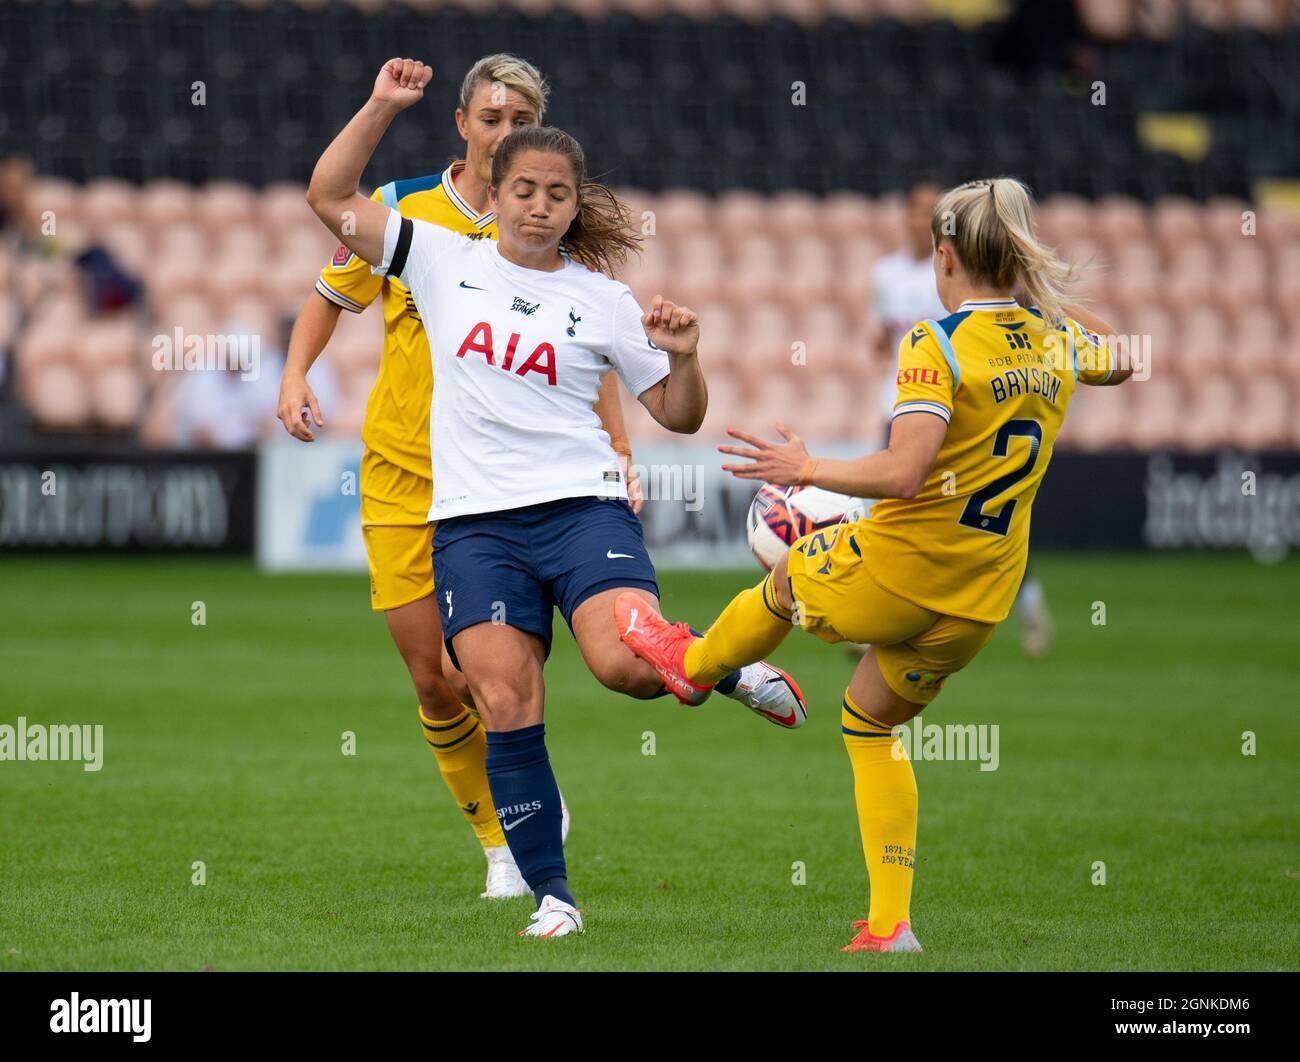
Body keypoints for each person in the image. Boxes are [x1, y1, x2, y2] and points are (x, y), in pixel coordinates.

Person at [306, 58, 808, 938]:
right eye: (526, 189)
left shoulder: (604, 300)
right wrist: (384, 105)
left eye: (559, 193)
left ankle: (713, 661)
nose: (541, 205)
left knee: (623, 671)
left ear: (577, 205)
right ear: (492, 193)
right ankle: (554, 898)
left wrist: (686, 356)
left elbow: (681, 417)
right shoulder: (436, 258)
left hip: (582, 511)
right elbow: (328, 193)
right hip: (473, 527)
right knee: (502, 698)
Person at [617, 176, 1131, 954]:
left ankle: (689, 666)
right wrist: (1037, 294)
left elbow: (903, 474)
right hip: (978, 602)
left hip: (904, 569)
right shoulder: (1053, 338)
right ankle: (892, 925)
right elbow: (1123, 359)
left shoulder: (939, 342)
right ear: (1016, 258)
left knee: (788, 576)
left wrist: (807, 465)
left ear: (945, 255)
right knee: (869, 720)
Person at [277, 55, 628, 899]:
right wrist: (296, 375)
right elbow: (330, 292)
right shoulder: (404, 212)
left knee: (484, 672)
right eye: (492, 118)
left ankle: (520, 808)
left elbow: (596, 349)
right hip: (403, 474)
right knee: (433, 677)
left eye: (520, 120)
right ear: (462, 125)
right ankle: (499, 842)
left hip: (509, 485)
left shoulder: (547, 222)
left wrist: (617, 448)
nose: (505, 133)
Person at [875, 179, 1054, 658]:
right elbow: (883, 335)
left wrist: (807, 469)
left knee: (973, 511)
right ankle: (886, 615)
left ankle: (1022, 597)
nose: (920, 219)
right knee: (897, 509)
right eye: (915, 209)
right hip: (903, 403)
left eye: (928, 212)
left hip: (959, 405)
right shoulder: (886, 274)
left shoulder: (962, 270)